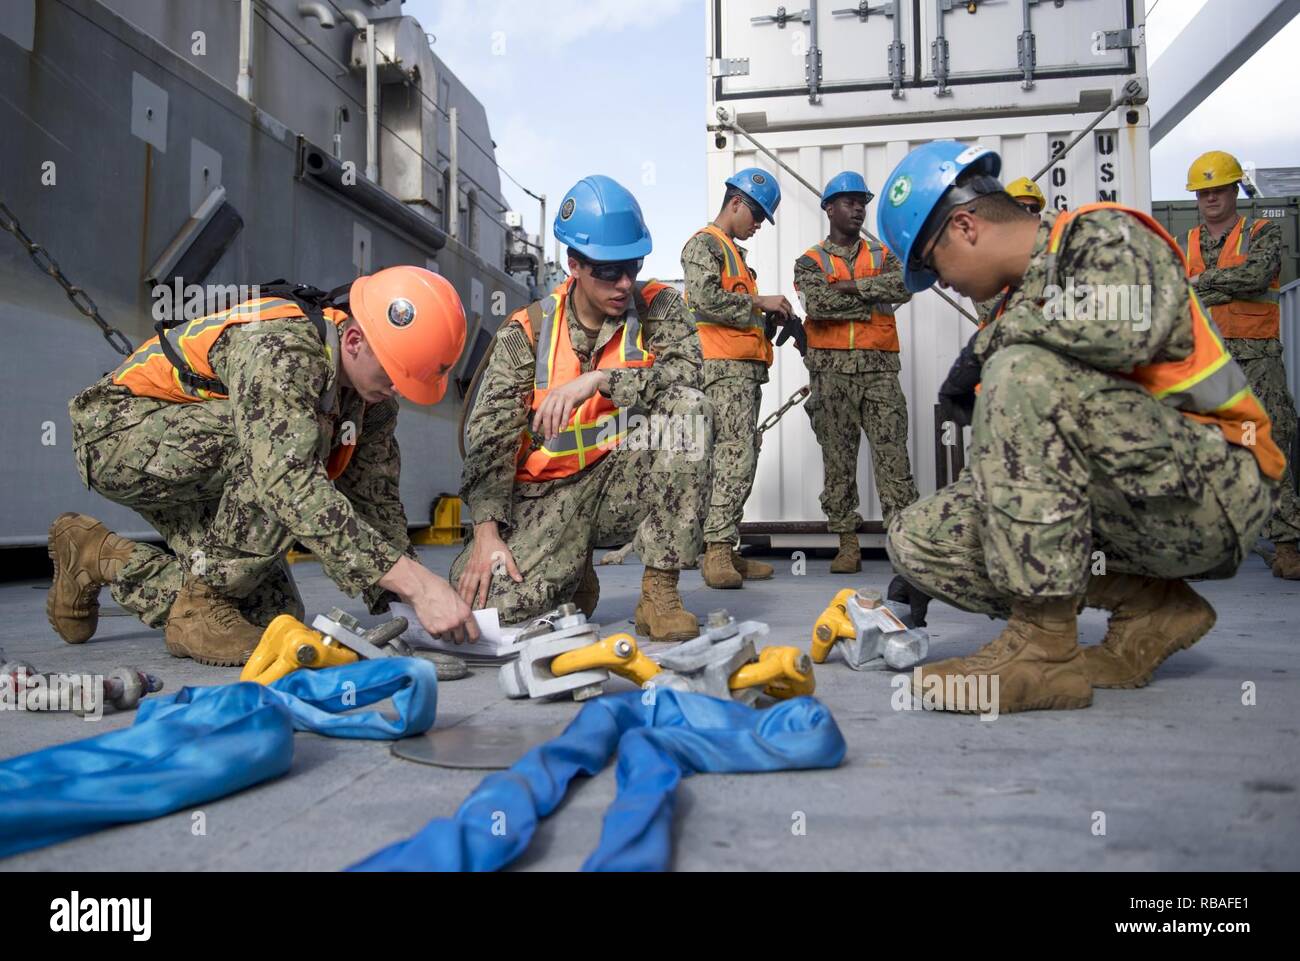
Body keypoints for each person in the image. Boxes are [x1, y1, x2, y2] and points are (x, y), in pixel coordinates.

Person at [878, 140, 1282, 713]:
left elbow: (1126, 329)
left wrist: (991, 344)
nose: (941, 283)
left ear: (965, 227)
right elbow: (1024, 475)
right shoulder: (1025, 301)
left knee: (1021, 369)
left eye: (930, 265)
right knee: (921, 537)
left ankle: (1046, 654)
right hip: (1138, 495)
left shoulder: (1102, 236)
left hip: (1221, 486)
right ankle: (1153, 608)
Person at [50, 267, 477, 666]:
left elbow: (374, 498)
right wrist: (418, 584)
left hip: (206, 459)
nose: (397, 390)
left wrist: (405, 603)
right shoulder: (282, 348)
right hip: (117, 437)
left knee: (273, 617)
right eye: (396, 375)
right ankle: (202, 602)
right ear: (354, 342)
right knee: (283, 448)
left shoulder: (372, 399)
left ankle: (98, 555)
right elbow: (284, 479)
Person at [453, 175, 711, 642]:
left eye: (632, 265)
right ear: (574, 265)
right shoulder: (526, 332)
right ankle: (573, 575)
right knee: (485, 608)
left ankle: (659, 592)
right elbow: (490, 439)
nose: (625, 282)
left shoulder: (660, 308)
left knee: (690, 410)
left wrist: (600, 381)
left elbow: (690, 379)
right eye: (609, 271)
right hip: (547, 496)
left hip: (626, 480)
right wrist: (486, 531)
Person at [681, 167, 803, 589]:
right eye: (756, 216)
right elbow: (704, 299)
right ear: (736, 203)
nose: (757, 226)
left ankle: (725, 546)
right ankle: (715, 552)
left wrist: (768, 320)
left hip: (741, 372)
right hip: (721, 370)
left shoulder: (732, 253)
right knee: (735, 457)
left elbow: (735, 312)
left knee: (739, 455)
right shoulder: (704, 245)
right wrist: (760, 301)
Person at [1182, 150, 1299, 579]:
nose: (1211, 197)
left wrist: (1201, 284)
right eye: (1203, 191)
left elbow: (1255, 277)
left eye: (1219, 189)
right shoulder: (1187, 243)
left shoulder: (1263, 232)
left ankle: (1286, 544)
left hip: (1258, 362)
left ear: (1234, 190)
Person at [793, 171, 915, 574]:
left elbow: (904, 285)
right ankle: (847, 543)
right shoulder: (810, 261)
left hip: (880, 370)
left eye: (862, 201)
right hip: (830, 374)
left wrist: (848, 288)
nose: (858, 208)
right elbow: (817, 305)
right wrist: (868, 296)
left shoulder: (883, 255)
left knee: (893, 459)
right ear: (829, 208)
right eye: (848, 201)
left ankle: (904, 547)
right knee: (838, 461)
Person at [974, 176, 1044, 324]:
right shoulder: (986, 256)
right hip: (999, 340)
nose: (1027, 213)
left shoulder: (1051, 253)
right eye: (1020, 206)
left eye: (1033, 208)